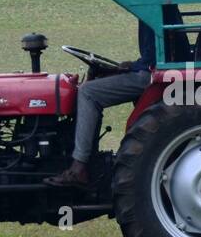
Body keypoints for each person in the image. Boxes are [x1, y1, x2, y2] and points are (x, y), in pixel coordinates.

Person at [44, 19, 155, 187]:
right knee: (93, 86)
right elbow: (152, 54)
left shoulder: (150, 7)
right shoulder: (154, 8)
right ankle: (87, 158)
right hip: (149, 70)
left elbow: (152, 59)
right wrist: (129, 66)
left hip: (150, 75)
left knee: (88, 92)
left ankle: (79, 166)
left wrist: (132, 67)